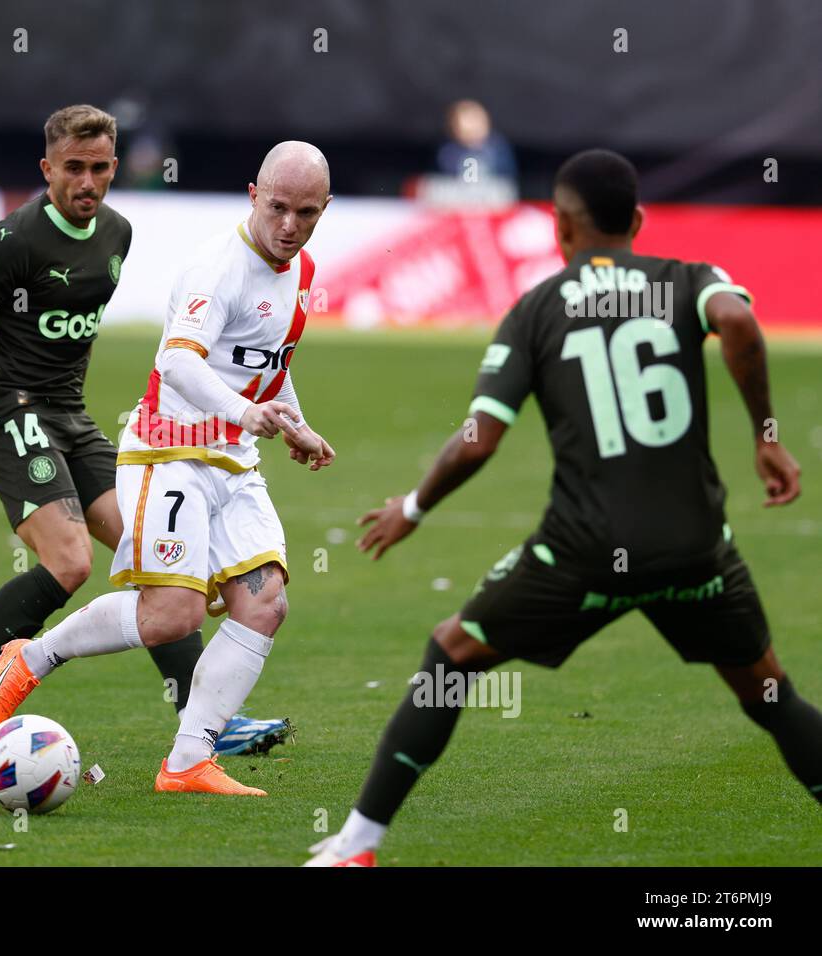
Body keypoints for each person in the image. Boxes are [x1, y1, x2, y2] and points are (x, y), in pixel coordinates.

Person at [307, 148, 817, 866]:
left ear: (560, 227)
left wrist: (415, 506)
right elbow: (736, 318)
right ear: (637, 220)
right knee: (769, 696)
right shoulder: (684, 281)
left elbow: (479, 441)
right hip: (696, 547)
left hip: (584, 552)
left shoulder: (537, 309)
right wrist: (766, 435)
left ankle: (356, 844)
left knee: (452, 653)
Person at [0, 105, 289, 757]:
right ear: (47, 169)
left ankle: (206, 720)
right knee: (73, 561)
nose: (87, 183)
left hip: (69, 416)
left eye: (99, 168)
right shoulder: (11, 242)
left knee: (159, 563)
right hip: (8, 413)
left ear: (116, 167)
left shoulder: (118, 233)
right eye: (73, 170)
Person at [0, 141, 337, 796]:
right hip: (168, 453)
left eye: (306, 213)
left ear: (324, 210)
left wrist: (297, 426)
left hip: (233, 459)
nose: (290, 226)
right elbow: (178, 363)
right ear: (254, 196)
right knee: (173, 616)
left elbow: (269, 368)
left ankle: (187, 762)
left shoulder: (304, 271)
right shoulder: (217, 270)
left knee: (264, 605)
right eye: (279, 208)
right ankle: (29, 657)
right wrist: (241, 411)